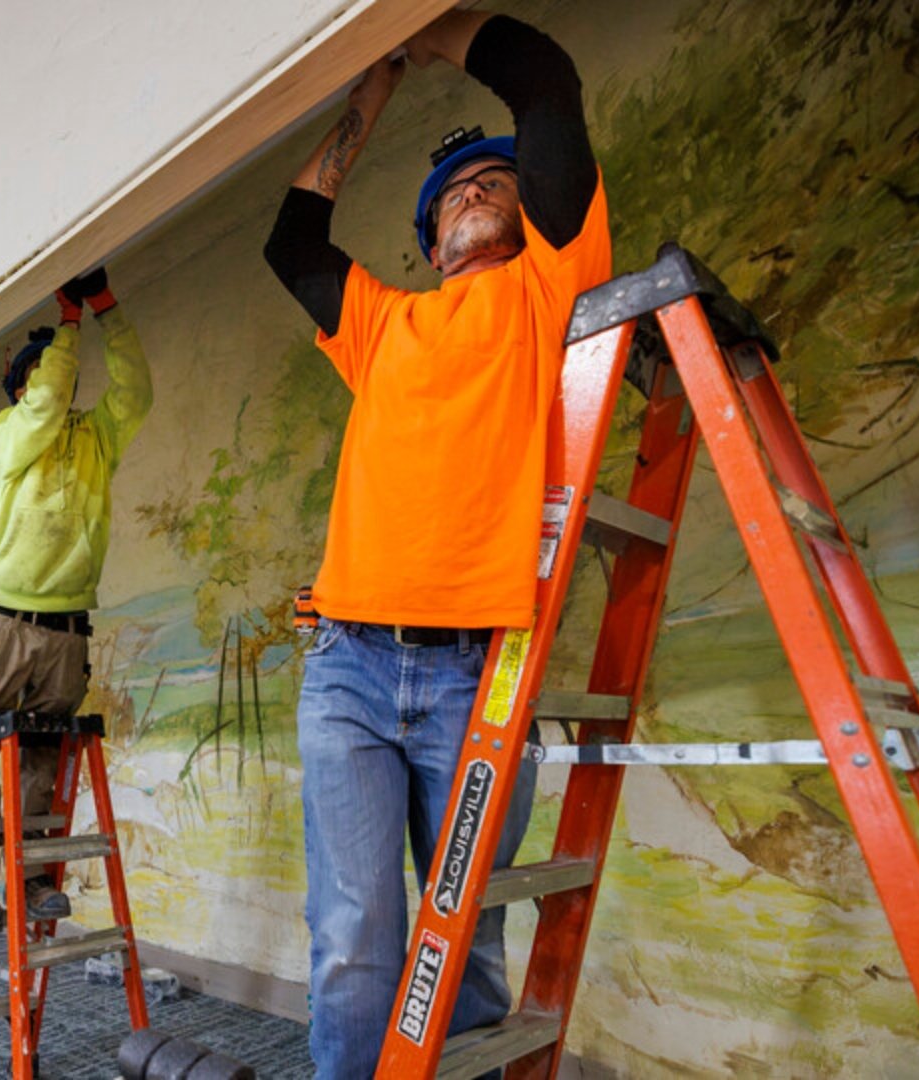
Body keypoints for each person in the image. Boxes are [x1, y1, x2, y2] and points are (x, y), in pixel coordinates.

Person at [262, 8, 611, 1075]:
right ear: (426, 240)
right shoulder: (380, 324)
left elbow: (544, 82)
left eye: (495, 180)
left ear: (531, 212)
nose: (472, 186)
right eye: (452, 190)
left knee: (468, 952)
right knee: (354, 949)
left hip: (475, 677)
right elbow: (292, 244)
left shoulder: (549, 286)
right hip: (349, 674)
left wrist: (428, 27)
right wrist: (372, 88)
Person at [0, 266, 153, 934]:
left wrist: (107, 310)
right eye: (42, 374)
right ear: (22, 386)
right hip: (6, 620)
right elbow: (47, 397)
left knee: (42, 758)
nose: (56, 382)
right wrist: (68, 322)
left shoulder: (95, 437)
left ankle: (30, 878)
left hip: (67, 628)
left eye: (58, 370)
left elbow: (136, 391)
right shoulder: (10, 432)